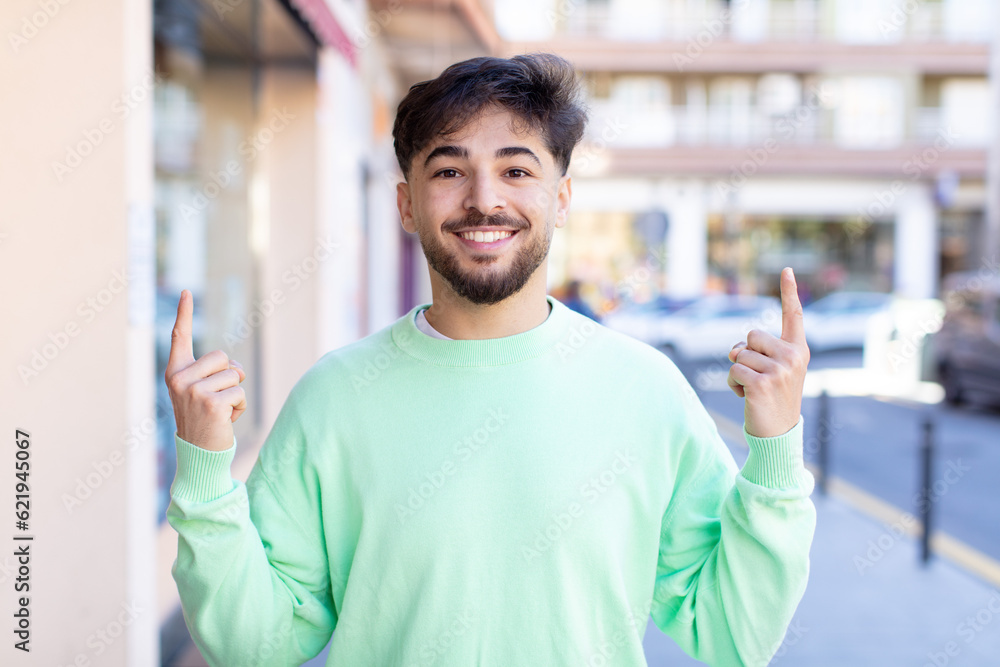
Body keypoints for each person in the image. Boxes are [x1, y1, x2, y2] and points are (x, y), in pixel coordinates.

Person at [165, 52, 815, 667]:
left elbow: (735, 631)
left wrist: (777, 448)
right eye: (449, 170)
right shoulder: (334, 396)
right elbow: (255, 643)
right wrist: (203, 470)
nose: (483, 198)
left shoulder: (645, 391)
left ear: (560, 199)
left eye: (516, 170)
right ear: (406, 204)